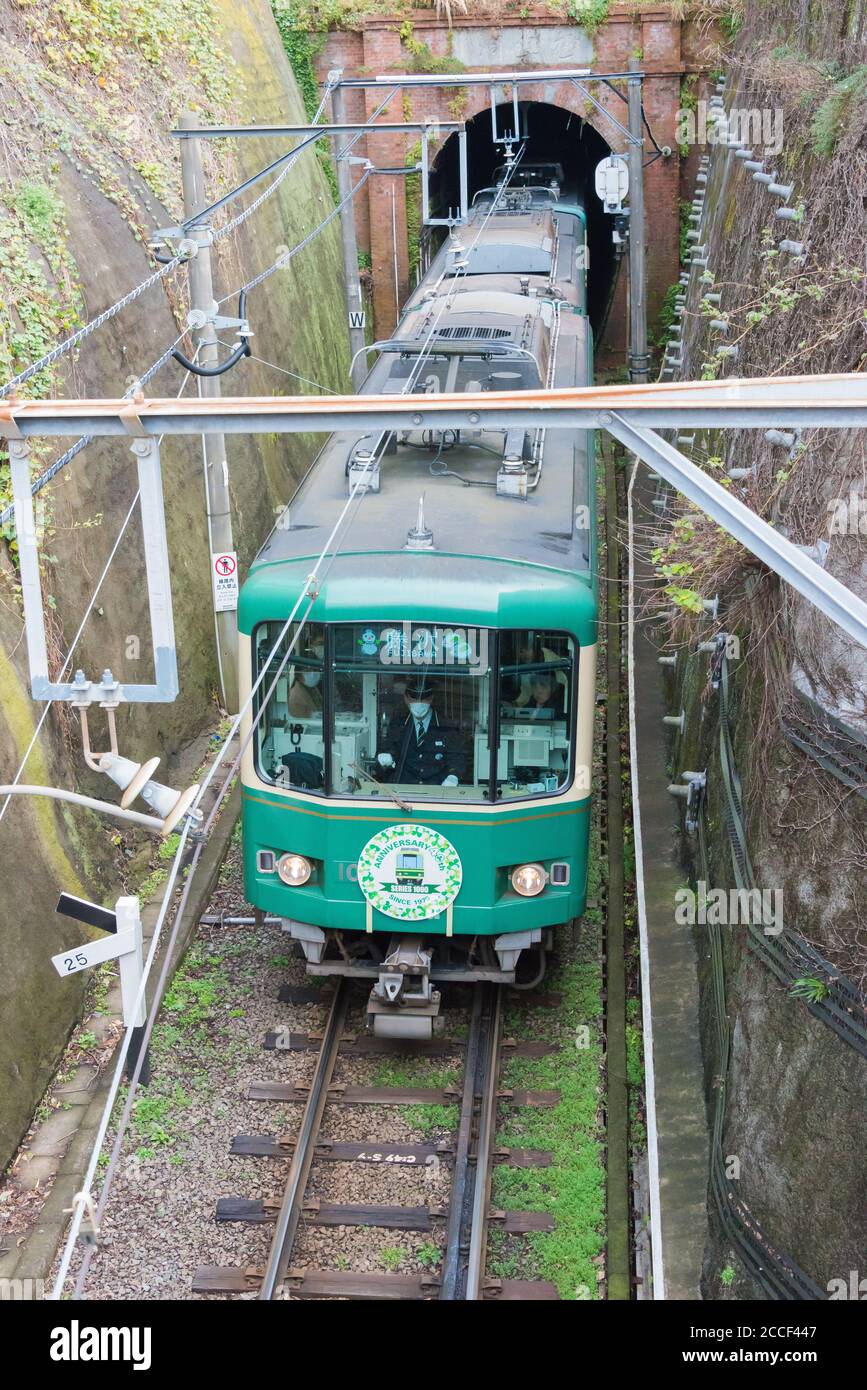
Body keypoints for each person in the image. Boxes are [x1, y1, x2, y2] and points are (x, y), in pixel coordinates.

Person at [376, 678, 465, 786]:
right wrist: (386, 757)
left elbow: (456, 757)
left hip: (437, 789)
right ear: (406, 698)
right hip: (404, 789)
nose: (419, 703)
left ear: (431, 698)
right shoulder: (398, 724)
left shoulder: (446, 726)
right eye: (414, 698)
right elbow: (388, 747)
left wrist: (453, 776)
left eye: (424, 699)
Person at [287, 649, 323, 718]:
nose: (313, 673)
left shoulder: (312, 688)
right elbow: (304, 723)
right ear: (298, 674)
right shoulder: (295, 697)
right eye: (307, 670)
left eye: (315, 669)